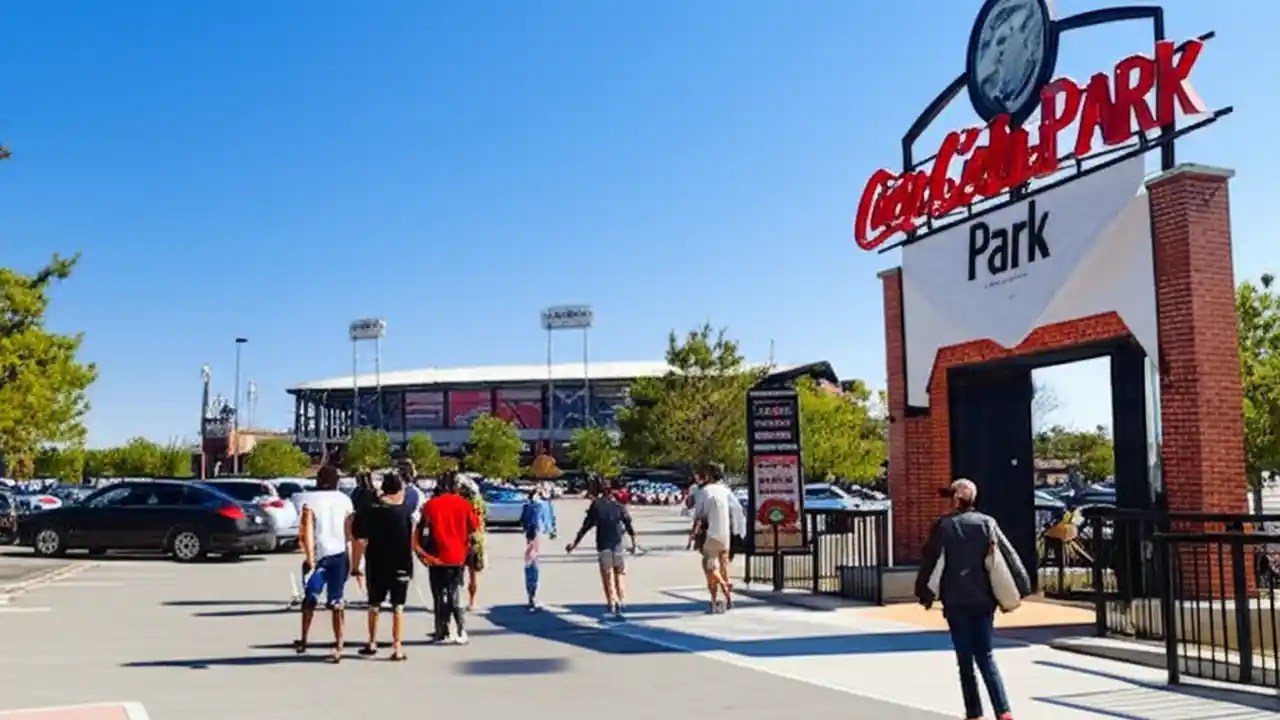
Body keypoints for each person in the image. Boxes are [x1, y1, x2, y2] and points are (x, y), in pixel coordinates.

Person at [915, 479, 1031, 720]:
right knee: (986, 655)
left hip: (955, 600)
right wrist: (1022, 584)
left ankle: (974, 713)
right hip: (983, 600)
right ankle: (1003, 710)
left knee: (965, 660)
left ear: (956, 499)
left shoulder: (943, 526)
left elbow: (930, 561)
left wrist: (924, 593)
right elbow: (1008, 555)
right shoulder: (987, 523)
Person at [294, 464, 356, 663]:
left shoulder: (310, 500)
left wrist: (310, 557)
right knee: (337, 601)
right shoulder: (345, 499)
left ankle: (304, 639)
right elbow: (350, 530)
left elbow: (307, 530)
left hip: (321, 555)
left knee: (310, 597)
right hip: (340, 554)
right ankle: (339, 645)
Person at [351, 473, 416, 661]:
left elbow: (359, 532)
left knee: (374, 604)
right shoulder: (405, 510)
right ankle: (397, 647)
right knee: (398, 606)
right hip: (401, 562)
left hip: (377, 561)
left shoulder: (373, 509)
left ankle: (372, 642)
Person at [415, 470, 480, 644]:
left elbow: (422, 530)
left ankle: (441, 630)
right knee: (455, 591)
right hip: (458, 556)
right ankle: (460, 629)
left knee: (438, 594)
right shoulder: (464, 504)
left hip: (436, 557)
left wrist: (422, 553)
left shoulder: (430, 505)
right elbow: (474, 528)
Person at [566, 477, 637, 619]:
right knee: (620, 573)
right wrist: (634, 543)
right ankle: (621, 601)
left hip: (603, 544)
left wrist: (574, 544)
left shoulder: (596, 506)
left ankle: (612, 602)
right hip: (618, 544)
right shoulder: (619, 506)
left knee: (608, 575)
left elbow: (585, 527)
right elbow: (629, 525)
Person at [687, 464, 745, 613]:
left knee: (709, 567)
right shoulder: (725, 490)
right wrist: (739, 531)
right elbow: (737, 509)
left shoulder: (704, 492)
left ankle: (719, 595)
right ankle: (725, 599)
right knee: (724, 566)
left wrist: (693, 534)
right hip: (726, 534)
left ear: (707, 477)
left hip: (712, 534)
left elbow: (699, 514)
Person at [520, 485, 558, 611]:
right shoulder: (539, 505)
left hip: (533, 537)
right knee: (532, 566)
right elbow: (535, 523)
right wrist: (552, 530)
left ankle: (532, 596)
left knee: (531, 565)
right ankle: (533, 596)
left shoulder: (530, 505)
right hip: (535, 537)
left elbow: (524, 523)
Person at [457, 476, 487, 611]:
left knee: (457, 572)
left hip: (460, 539)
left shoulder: (460, 503)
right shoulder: (479, 503)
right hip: (476, 540)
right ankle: (472, 601)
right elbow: (484, 517)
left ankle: (457, 599)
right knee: (473, 574)